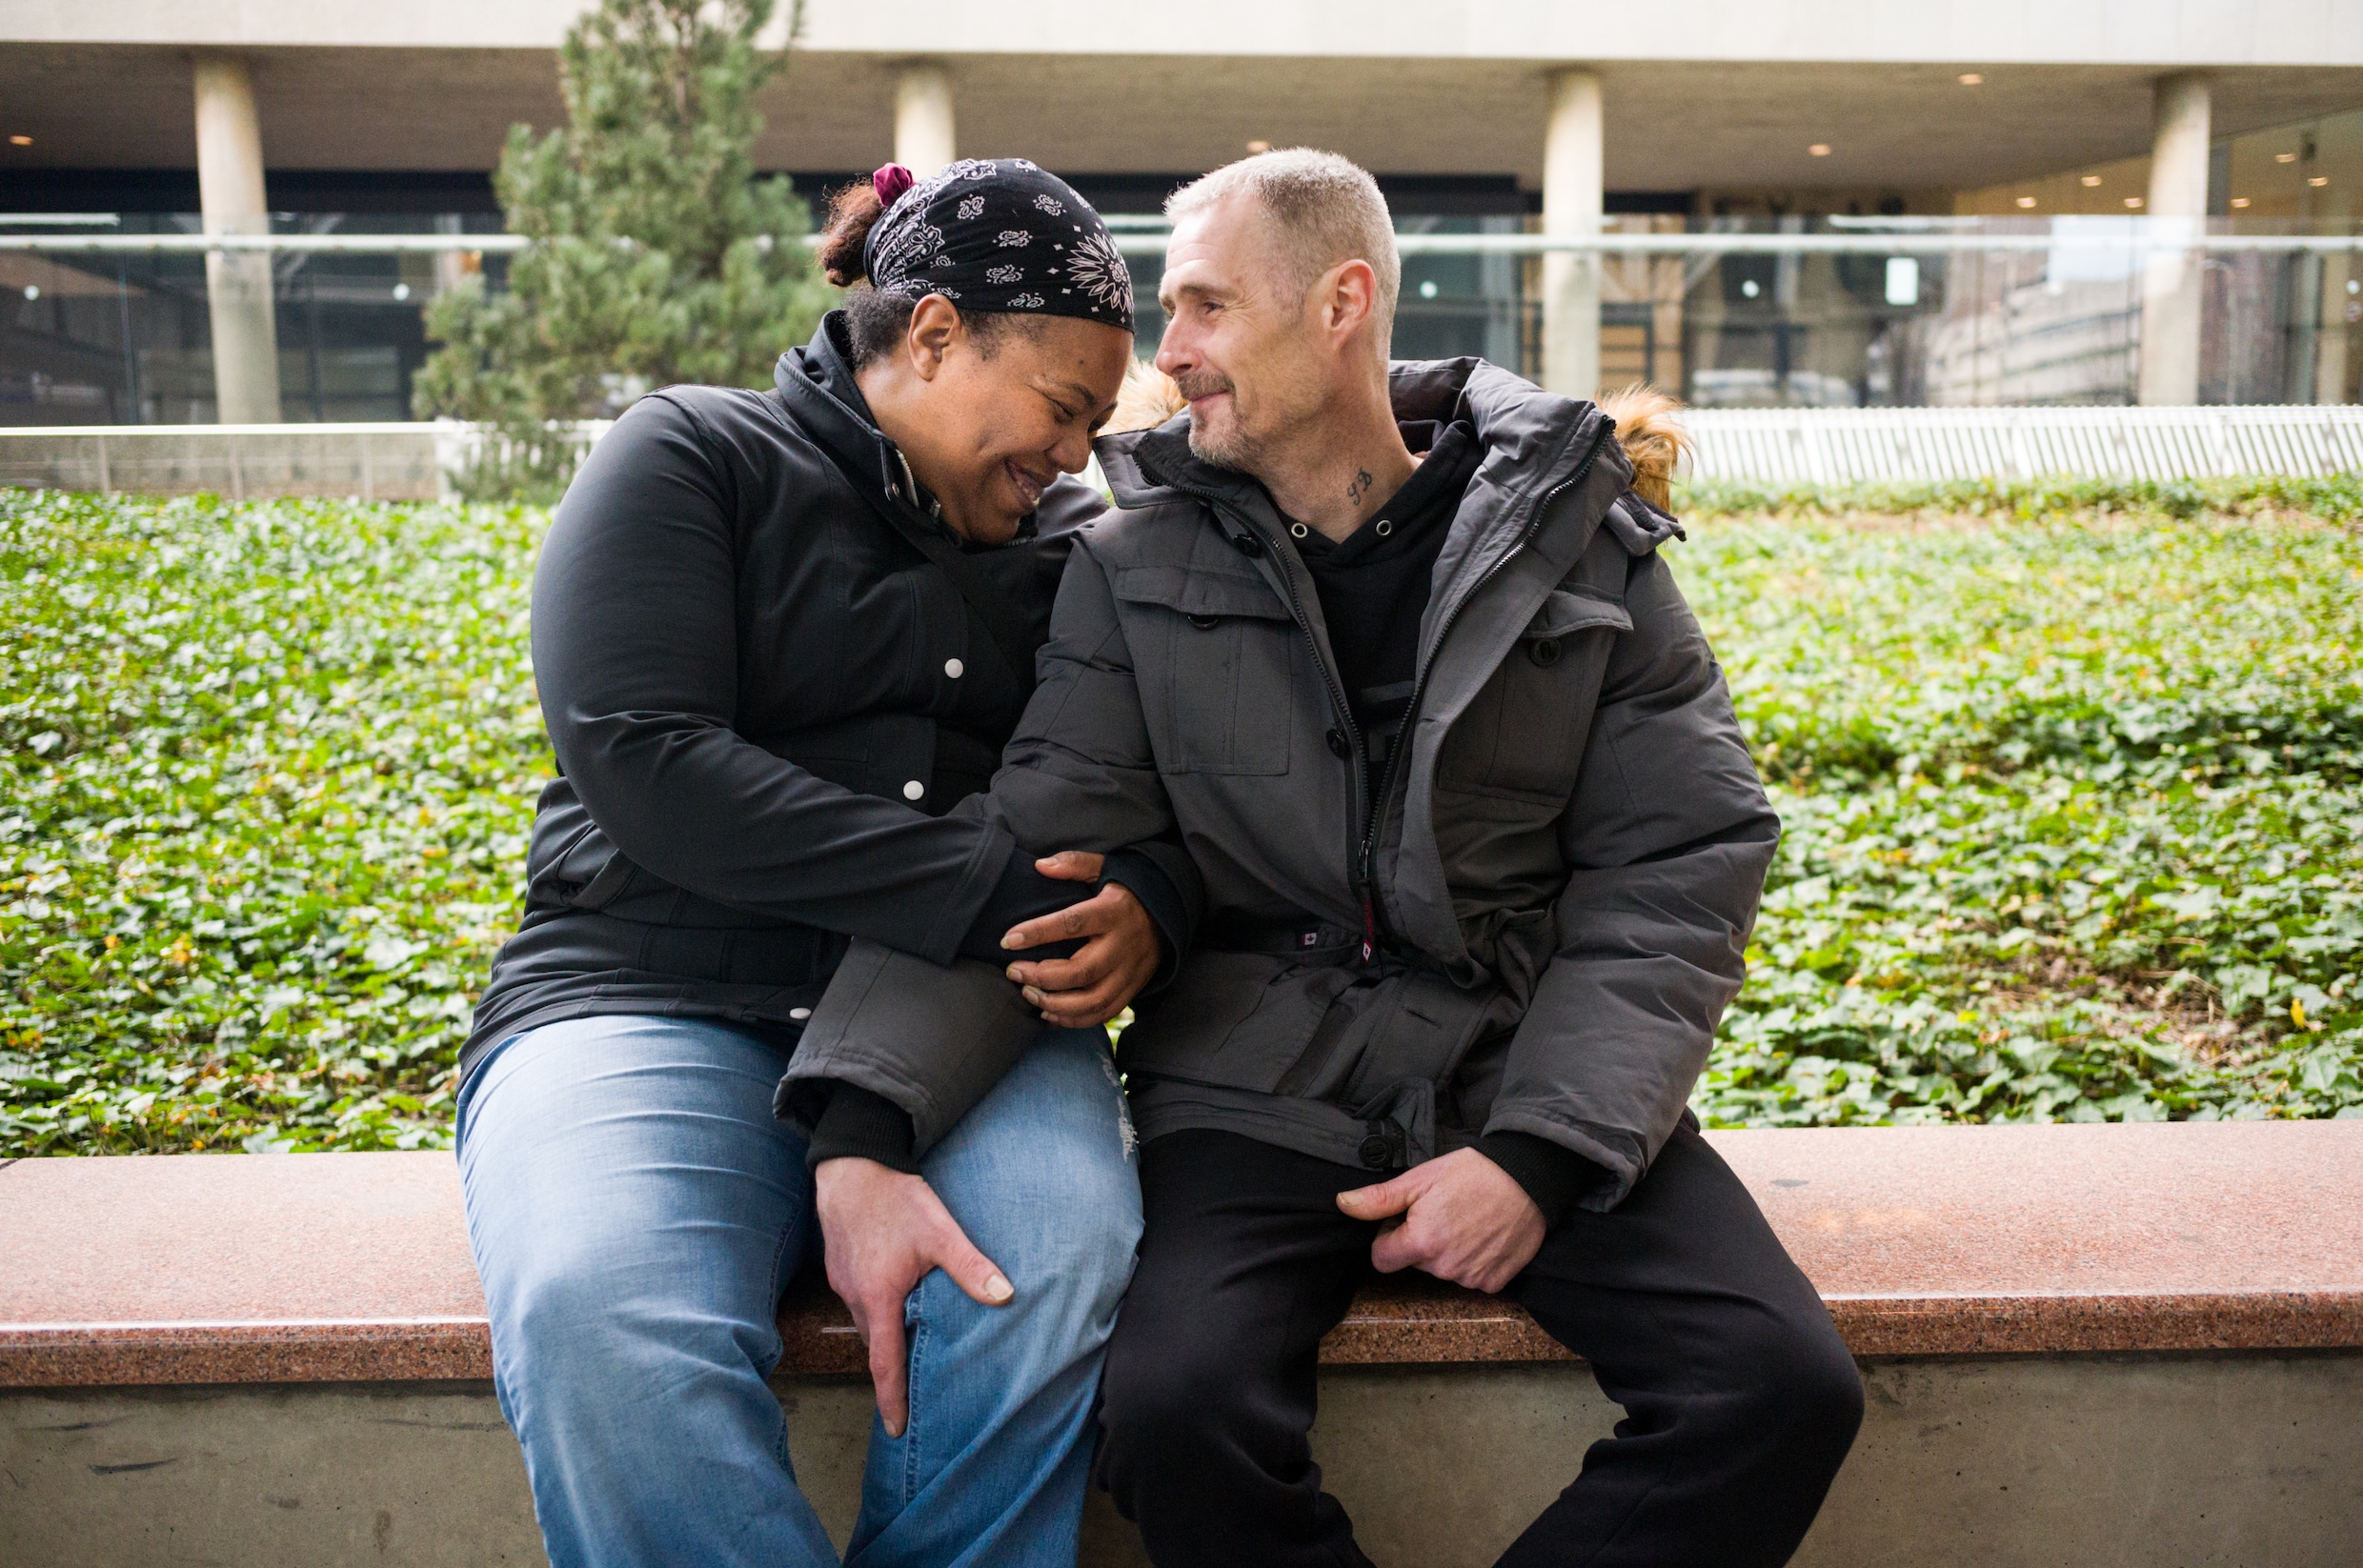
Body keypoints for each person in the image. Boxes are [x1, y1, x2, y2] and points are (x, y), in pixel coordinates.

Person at [783, 149, 1864, 1568]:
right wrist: (864, 1119)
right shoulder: (1133, 566)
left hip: (1515, 1065)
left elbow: (1679, 862)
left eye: (1208, 308)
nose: (1169, 354)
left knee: (1779, 1387)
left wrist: (1538, 1156)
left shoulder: (1582, 552)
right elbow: (1039, 845)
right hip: (1250, 1090)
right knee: (1172, 1412)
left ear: (1341, 302)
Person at [456, 158, 1198, 1568]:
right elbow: (647, 760)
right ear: (929, 335)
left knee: (1048, 1261)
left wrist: (1150, 900)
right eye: (1060, 410)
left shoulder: (1070, 557)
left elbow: (1144, 792)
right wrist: (980, 888)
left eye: (1098, 427)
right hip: (640, 996)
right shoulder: (691, 455)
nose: (1073, 453)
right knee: (601, 1310)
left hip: (958, 1028)